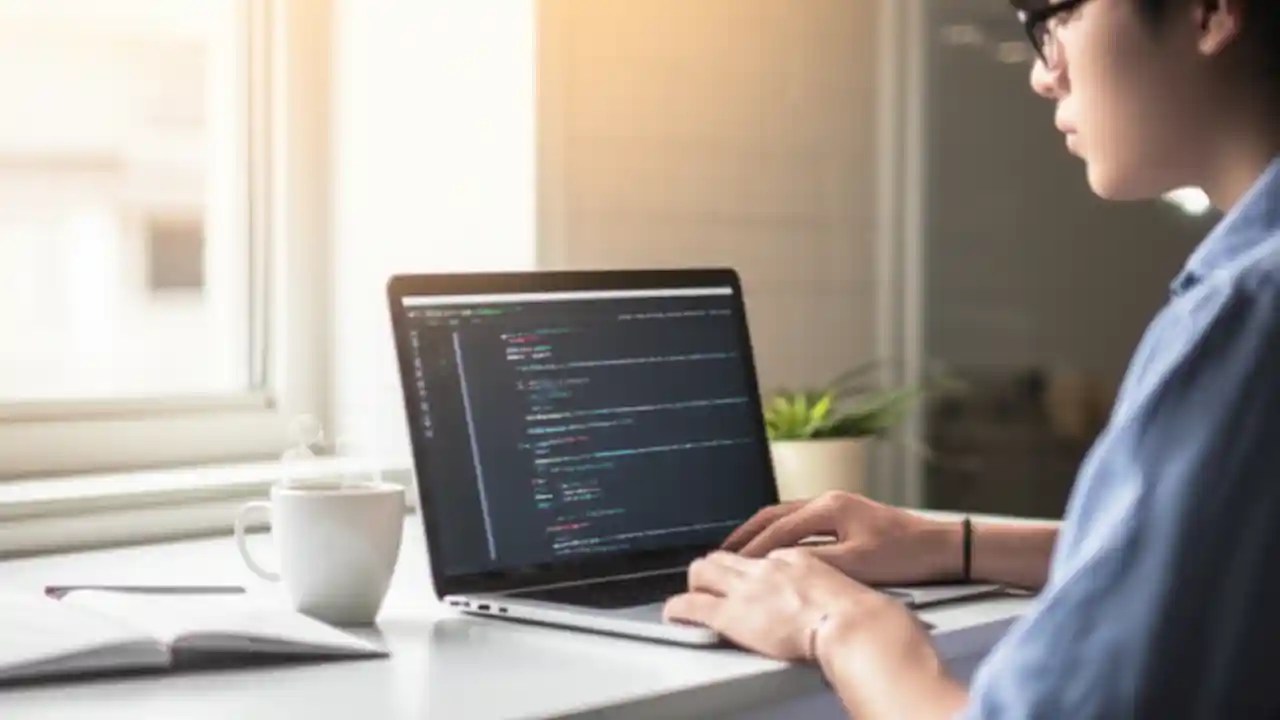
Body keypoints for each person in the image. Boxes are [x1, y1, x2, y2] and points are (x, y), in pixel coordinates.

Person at [662, 0, 1280, 716]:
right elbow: (1221, 554)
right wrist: (948, 543)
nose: (1043, 75)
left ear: (1207, 12)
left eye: (1051, 17)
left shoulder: (1244, 314)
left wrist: (841, 625)